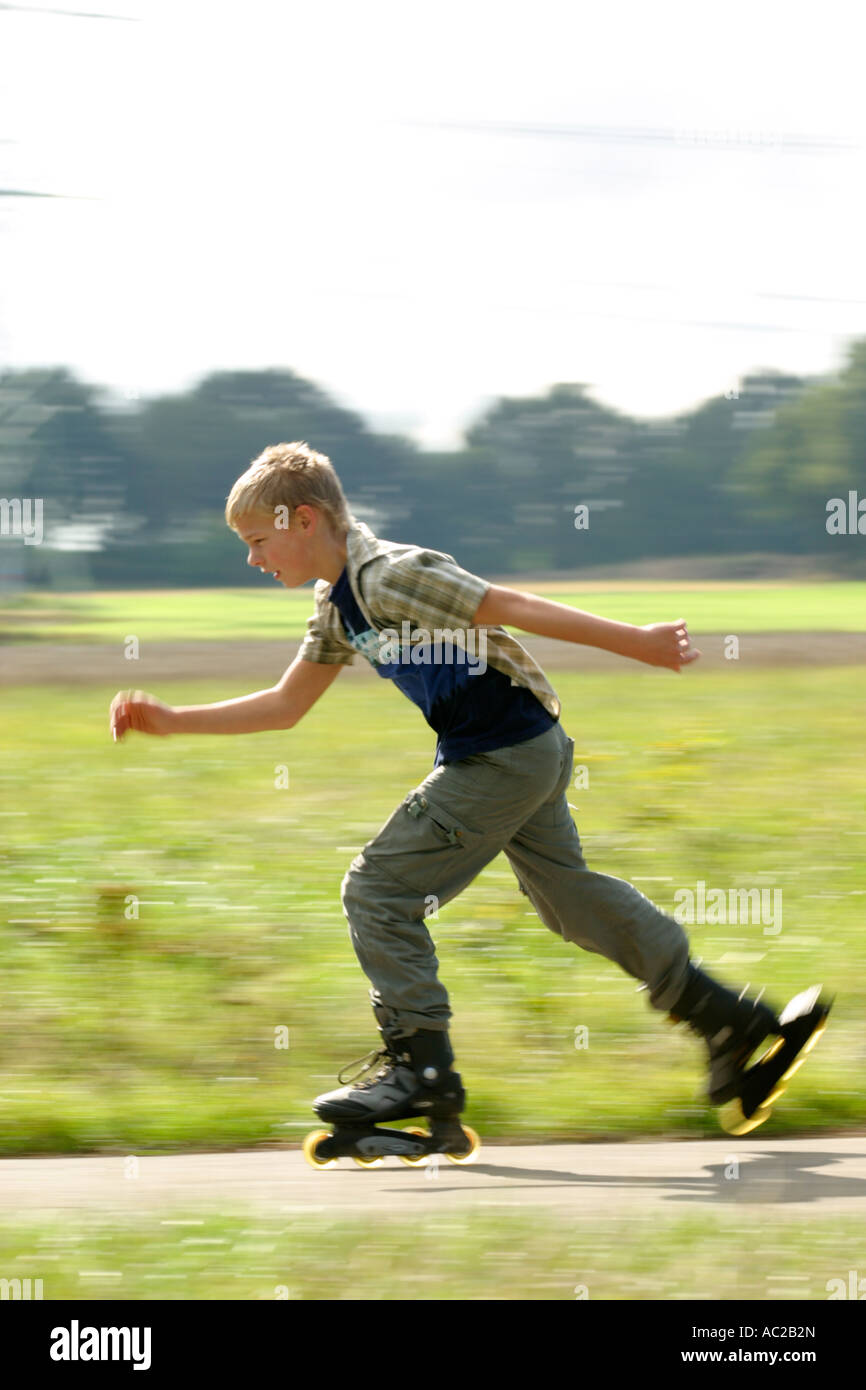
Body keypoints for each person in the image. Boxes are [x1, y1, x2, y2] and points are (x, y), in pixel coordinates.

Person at [109, 441, 825, 1144]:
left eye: (258, 539)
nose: (253, 559)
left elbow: (508, 603)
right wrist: (172, 721)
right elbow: (285, 704)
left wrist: (636, 642)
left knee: (377, 891)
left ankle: (422, 1074)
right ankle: (728, 1021)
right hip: (517, 749)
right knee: (569, 901)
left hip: (503, 754)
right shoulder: (339, 604)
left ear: (304, 519)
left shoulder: (392, 574)